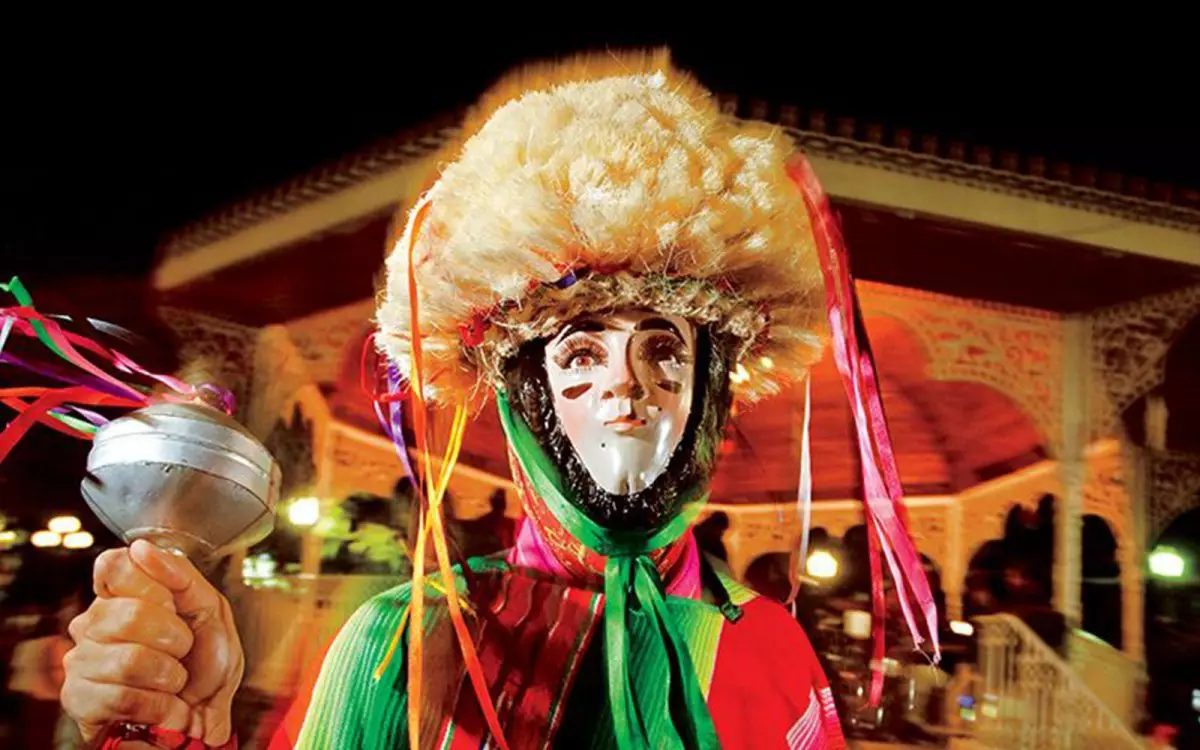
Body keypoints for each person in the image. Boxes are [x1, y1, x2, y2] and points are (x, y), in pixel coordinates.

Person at [61, 49, 936, 748]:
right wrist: (170, 733)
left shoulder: (773, 649)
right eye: (581, 350)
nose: (625, 387)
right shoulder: (399, 646)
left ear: (710, 391)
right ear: (524, 394)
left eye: (666, 350)